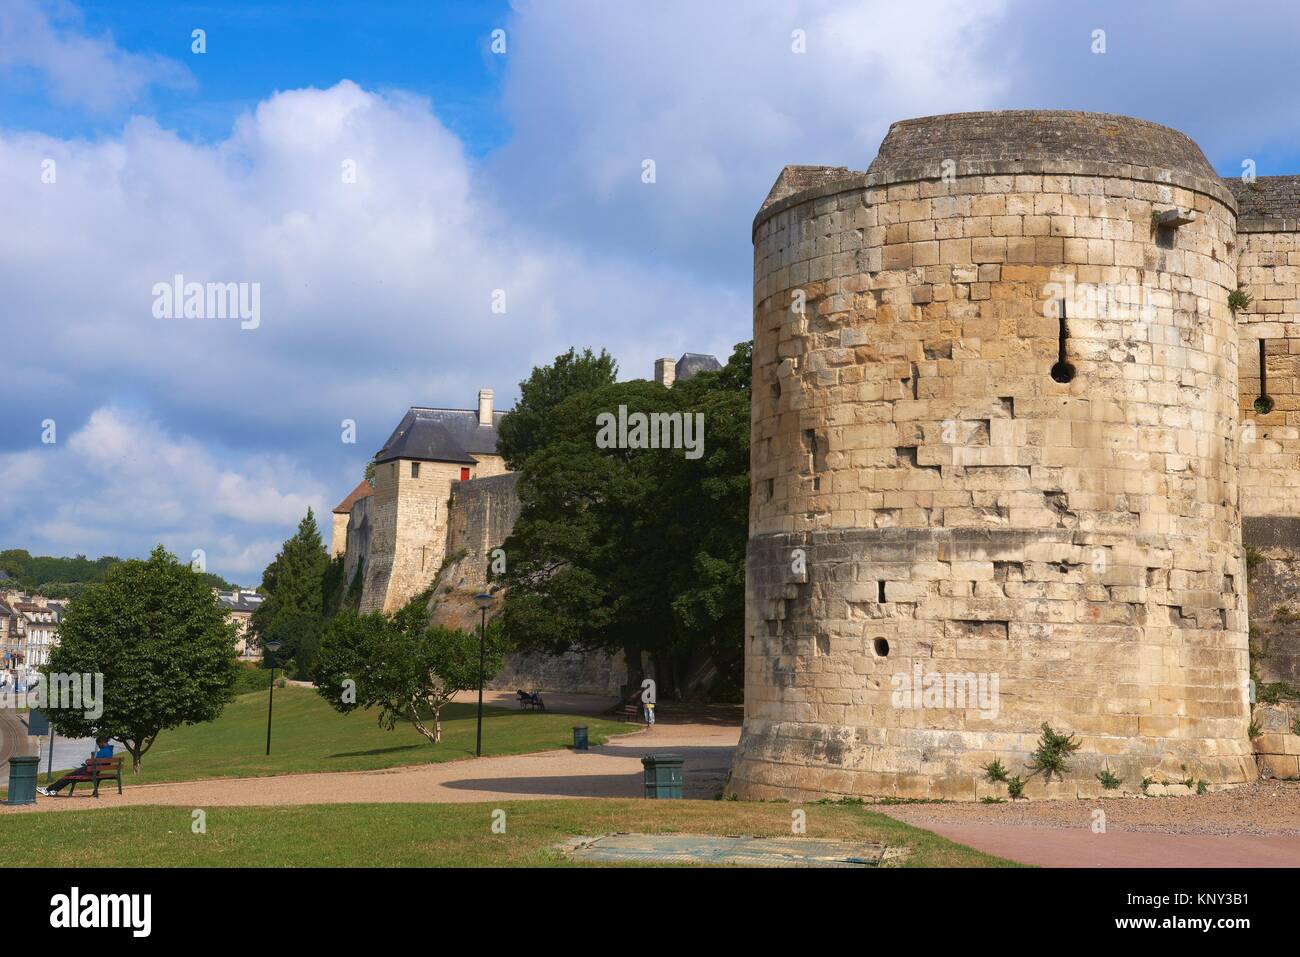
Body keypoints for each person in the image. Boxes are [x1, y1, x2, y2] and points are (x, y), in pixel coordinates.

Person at [36, 736, 114, 796]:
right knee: (69, 776)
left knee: (68, 776)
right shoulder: (110, 751)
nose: (99, 746)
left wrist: (88, 764)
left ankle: (48, 790)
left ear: (102, 743)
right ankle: (53, 790)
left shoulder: (103, 751)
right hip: (94, 771)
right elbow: (100, 763)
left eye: (99, 744)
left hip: (89, 771)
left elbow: (95, 762)